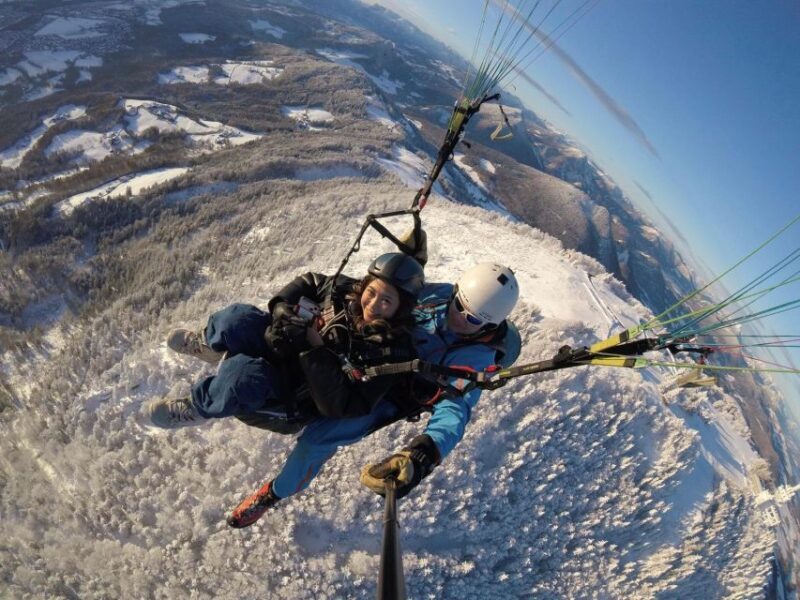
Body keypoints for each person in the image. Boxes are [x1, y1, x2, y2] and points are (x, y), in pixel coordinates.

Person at [226, 262, 520, 528]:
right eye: (459, 305)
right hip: (372, 348)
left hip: (391, 396)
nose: (458, 318)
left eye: (471, 319)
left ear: (490, 326)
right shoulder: (438, 296)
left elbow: (455, 410)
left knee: (317, 440)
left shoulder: (478, 359)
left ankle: (273, 494)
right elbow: (398, 292)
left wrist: (423, 454)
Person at [145, 252, 426, 432]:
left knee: (242, 376)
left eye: (386, 301)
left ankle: (199, 408)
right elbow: (311, 281)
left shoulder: (390, 352)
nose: (373, 304)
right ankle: (209, 344)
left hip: (298, 394)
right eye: (372, 292)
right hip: (286, 344)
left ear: (400, 309)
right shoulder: (346, 292)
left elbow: (344, 406)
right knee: (236, 318)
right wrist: (282, 307)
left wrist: (312, 349)